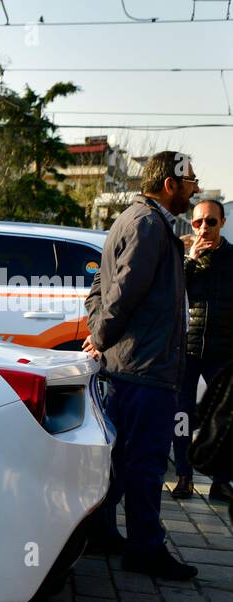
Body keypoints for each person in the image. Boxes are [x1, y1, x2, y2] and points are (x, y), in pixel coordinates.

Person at [83, 150, 200, 580]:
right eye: (191, 182)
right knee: (147, 464)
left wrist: (99, 334)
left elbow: (98, 285)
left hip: (130, 367)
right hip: (145, 370)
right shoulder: (149, 225)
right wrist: (100, 335)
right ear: (170, 184)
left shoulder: (132, 220)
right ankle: (145, 549)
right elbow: (120, 295)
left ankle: (100, 532)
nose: (196, 189)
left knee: (120, 459)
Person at [172, 199, 233, 502]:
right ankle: (184, 476)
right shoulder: (184, 259)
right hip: (189, 348)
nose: (204, 228)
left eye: (210, 221)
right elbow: (172, 292)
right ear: (191, 224)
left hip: (224, 351)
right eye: (198, 222)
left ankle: (221, 481)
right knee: (182, 414)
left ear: (222, 222)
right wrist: (190, 260)